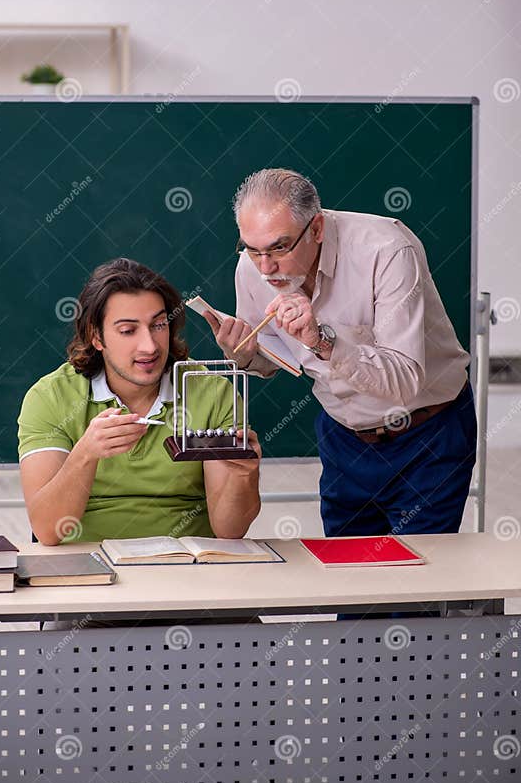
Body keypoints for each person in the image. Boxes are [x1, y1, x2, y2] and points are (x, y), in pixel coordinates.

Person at [204, 168, 477, 539]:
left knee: (421, 579)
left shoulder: (387, 249)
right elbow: (277, 356)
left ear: (316, 228)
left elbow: (405, 380)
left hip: (427, 432)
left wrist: (322, 341)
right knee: (347, 578)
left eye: (279, 248)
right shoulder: (252, 270)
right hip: (345, 437)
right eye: (252, 249)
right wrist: (245, 355)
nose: (266, 268)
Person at [18, 258, 261, 545]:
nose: (149, 346)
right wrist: (86, 454)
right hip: (88, 570)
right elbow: (48, 530)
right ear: (96, 336)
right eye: (127, 331)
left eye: (159, 325)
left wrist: (241, 475)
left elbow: (229, 531)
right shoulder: (50, 397)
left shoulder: (212, 392)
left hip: (189, 568)